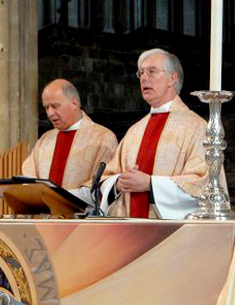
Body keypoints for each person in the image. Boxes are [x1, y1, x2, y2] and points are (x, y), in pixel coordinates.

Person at [96, 48, 221, 218]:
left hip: (172, 234)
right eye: (141, 73)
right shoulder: (135, 131)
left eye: (152, 71)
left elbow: (203, 183)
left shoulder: (196, 127)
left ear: (172, 78)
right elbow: (107, 176)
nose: (144, 78)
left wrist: (150, 184)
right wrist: (117, 183)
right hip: (129, 230)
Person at [22, 79, 117, 190]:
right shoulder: (45, 139)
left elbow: (103, 182)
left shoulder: (103, 138)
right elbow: (28, 176)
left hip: (81, 207)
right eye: (46, 107)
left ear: (74, 104)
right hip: (43, 207)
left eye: (55, 106)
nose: (50, 113)